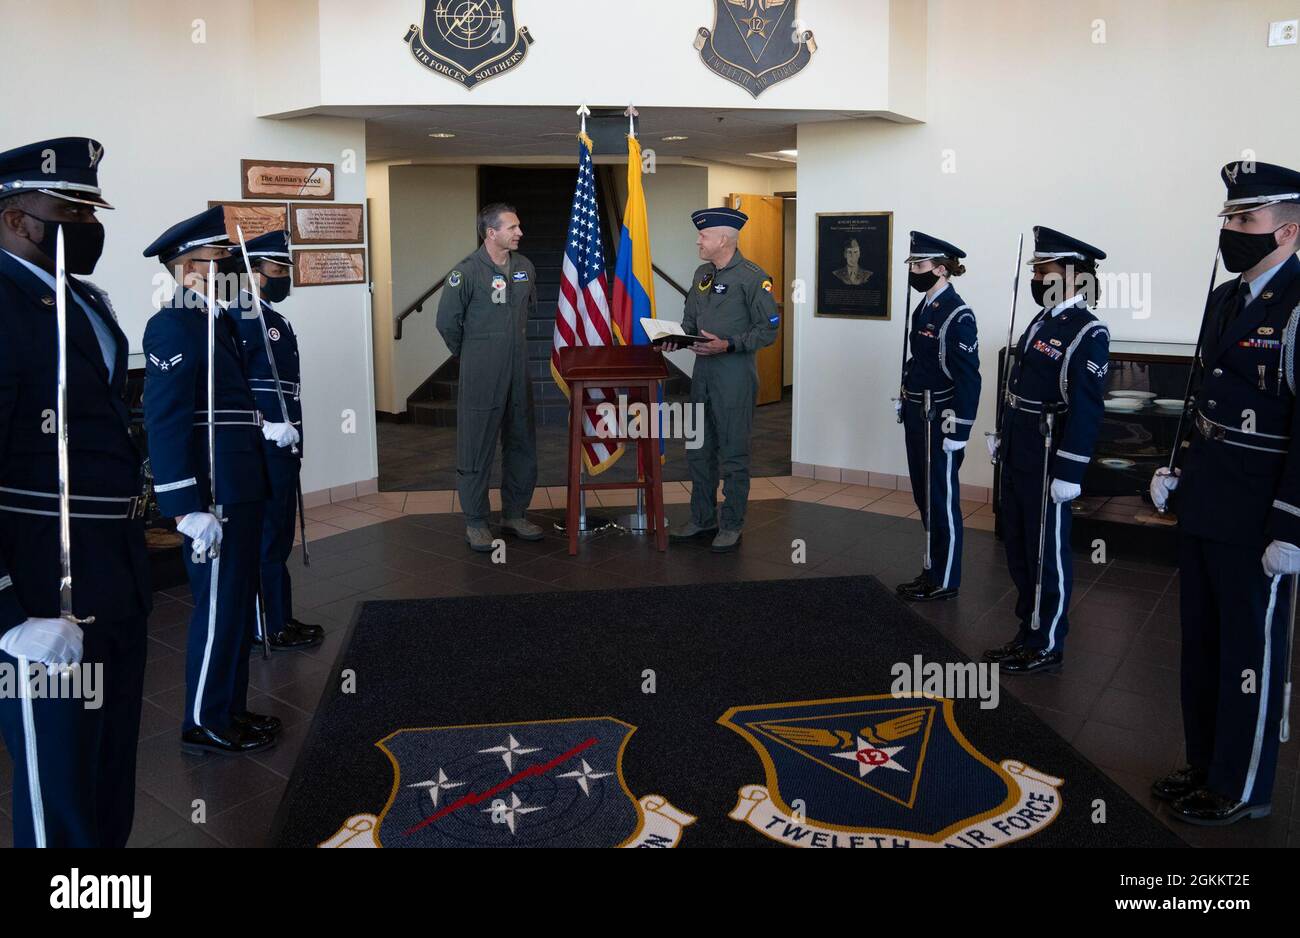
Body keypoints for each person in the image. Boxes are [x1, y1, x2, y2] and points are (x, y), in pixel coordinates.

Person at [0, 137, 150, 846]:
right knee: (56, 781)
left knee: (108, 762)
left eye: (91, 209)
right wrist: (7, 611)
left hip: (109, 564)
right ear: (12, 218)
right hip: (38, 584)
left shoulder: (79, 296)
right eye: (67, 209)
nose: (86, 226)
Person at [1148, 160, 1300, 825]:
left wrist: (1292, 527)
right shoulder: (1228, 298)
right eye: (1229, 219)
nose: (1233, 230)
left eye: (1247, 219)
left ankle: (1242, 784)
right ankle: (1204, 761)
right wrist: (1176, 464)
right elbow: (1204, 395)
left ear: (1288, 229)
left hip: (1261, 513)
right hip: (1209, 494)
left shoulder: (1295, 306)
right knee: (1202, 642)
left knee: (1249, 652)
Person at [142, 206, 277, 755]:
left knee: (238, 604)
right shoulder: (172, 322)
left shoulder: (214, 320)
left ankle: (229, 707)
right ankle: (203, 719)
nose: (231, 268)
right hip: (212, 493)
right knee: (218, 607)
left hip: (240, 484)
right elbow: (166, 419)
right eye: (220, 258)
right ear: (189, 267)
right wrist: (183, 505)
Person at [983, 226, 1109, 674]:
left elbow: (1087, 408)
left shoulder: (1088, 330)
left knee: (1046, 551)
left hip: (1050, 452)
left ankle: (1047, 640)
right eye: (1035, 269)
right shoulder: (1043, 320)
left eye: (1044, 269)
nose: (1036, 277)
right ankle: (1027, 631)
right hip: (1022, 445)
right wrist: (1002, 432)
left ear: (1073, 275)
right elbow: (1018, 385)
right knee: (1018, 545)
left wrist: (1070, 472)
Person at [666, 207, 779, 553]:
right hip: (702, 378)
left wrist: (729, 344)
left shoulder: (753, 277)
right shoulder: (703, 273)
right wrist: (675, 338)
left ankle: (731, 524)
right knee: (698, 451)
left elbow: (769, 329)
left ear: (723, 239)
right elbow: (690, 322)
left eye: (703, 235)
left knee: (733, 454)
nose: (698, 240)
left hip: (734, 377)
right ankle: (703, 518)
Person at [231, 229, 322, 651]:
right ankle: (265, 624)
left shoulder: (269, 316)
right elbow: (234, 387)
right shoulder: (241, 316)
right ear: (254, 272)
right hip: (263, 446)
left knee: (279, 535)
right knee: (268, 536)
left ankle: (279, 616)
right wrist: (263, 423)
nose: (285, 274)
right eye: (278, 267)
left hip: (284, 446)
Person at [436, 203, 543, 552]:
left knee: (521, 442)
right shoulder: (465, 272)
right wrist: (474, 355)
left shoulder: (524, 267)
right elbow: (447, 323)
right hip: (481, 372)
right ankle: (477, 522)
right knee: (476, 446)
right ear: (491, 233)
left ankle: (514, 513)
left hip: (517, 369)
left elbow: (526, 310)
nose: (519, 233)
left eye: (519, 226)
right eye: (512, 227)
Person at [895, 231, 980, 601]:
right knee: (923, 494)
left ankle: (945, 577)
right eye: (912, 264)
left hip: (940, 415)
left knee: (941, 498)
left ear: (942, 269)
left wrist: (960, 429)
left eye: (920, 264)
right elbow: (922, 359)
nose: (914, 271)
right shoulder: (925, 306)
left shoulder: (957, 314)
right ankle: (931, 567)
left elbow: (968, 377)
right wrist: (905, 391)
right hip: (918, 409)